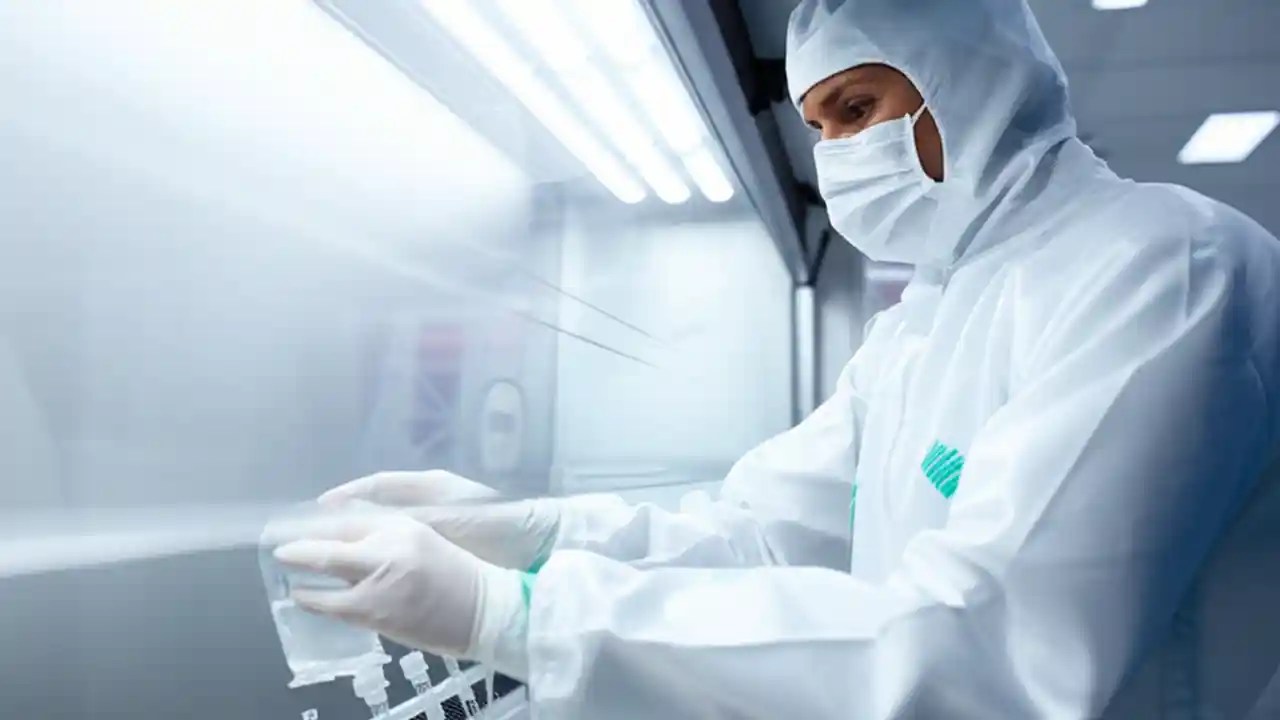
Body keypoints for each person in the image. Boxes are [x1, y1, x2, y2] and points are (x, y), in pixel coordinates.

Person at [273, 0, 1280, 716]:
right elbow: (757, 534)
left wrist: (518, 614)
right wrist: (532, 536)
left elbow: (995, 645)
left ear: (969, 82)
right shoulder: (924, 321)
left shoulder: (1156, 267)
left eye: (855, 108)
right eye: (813, 127)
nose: (834, 154)